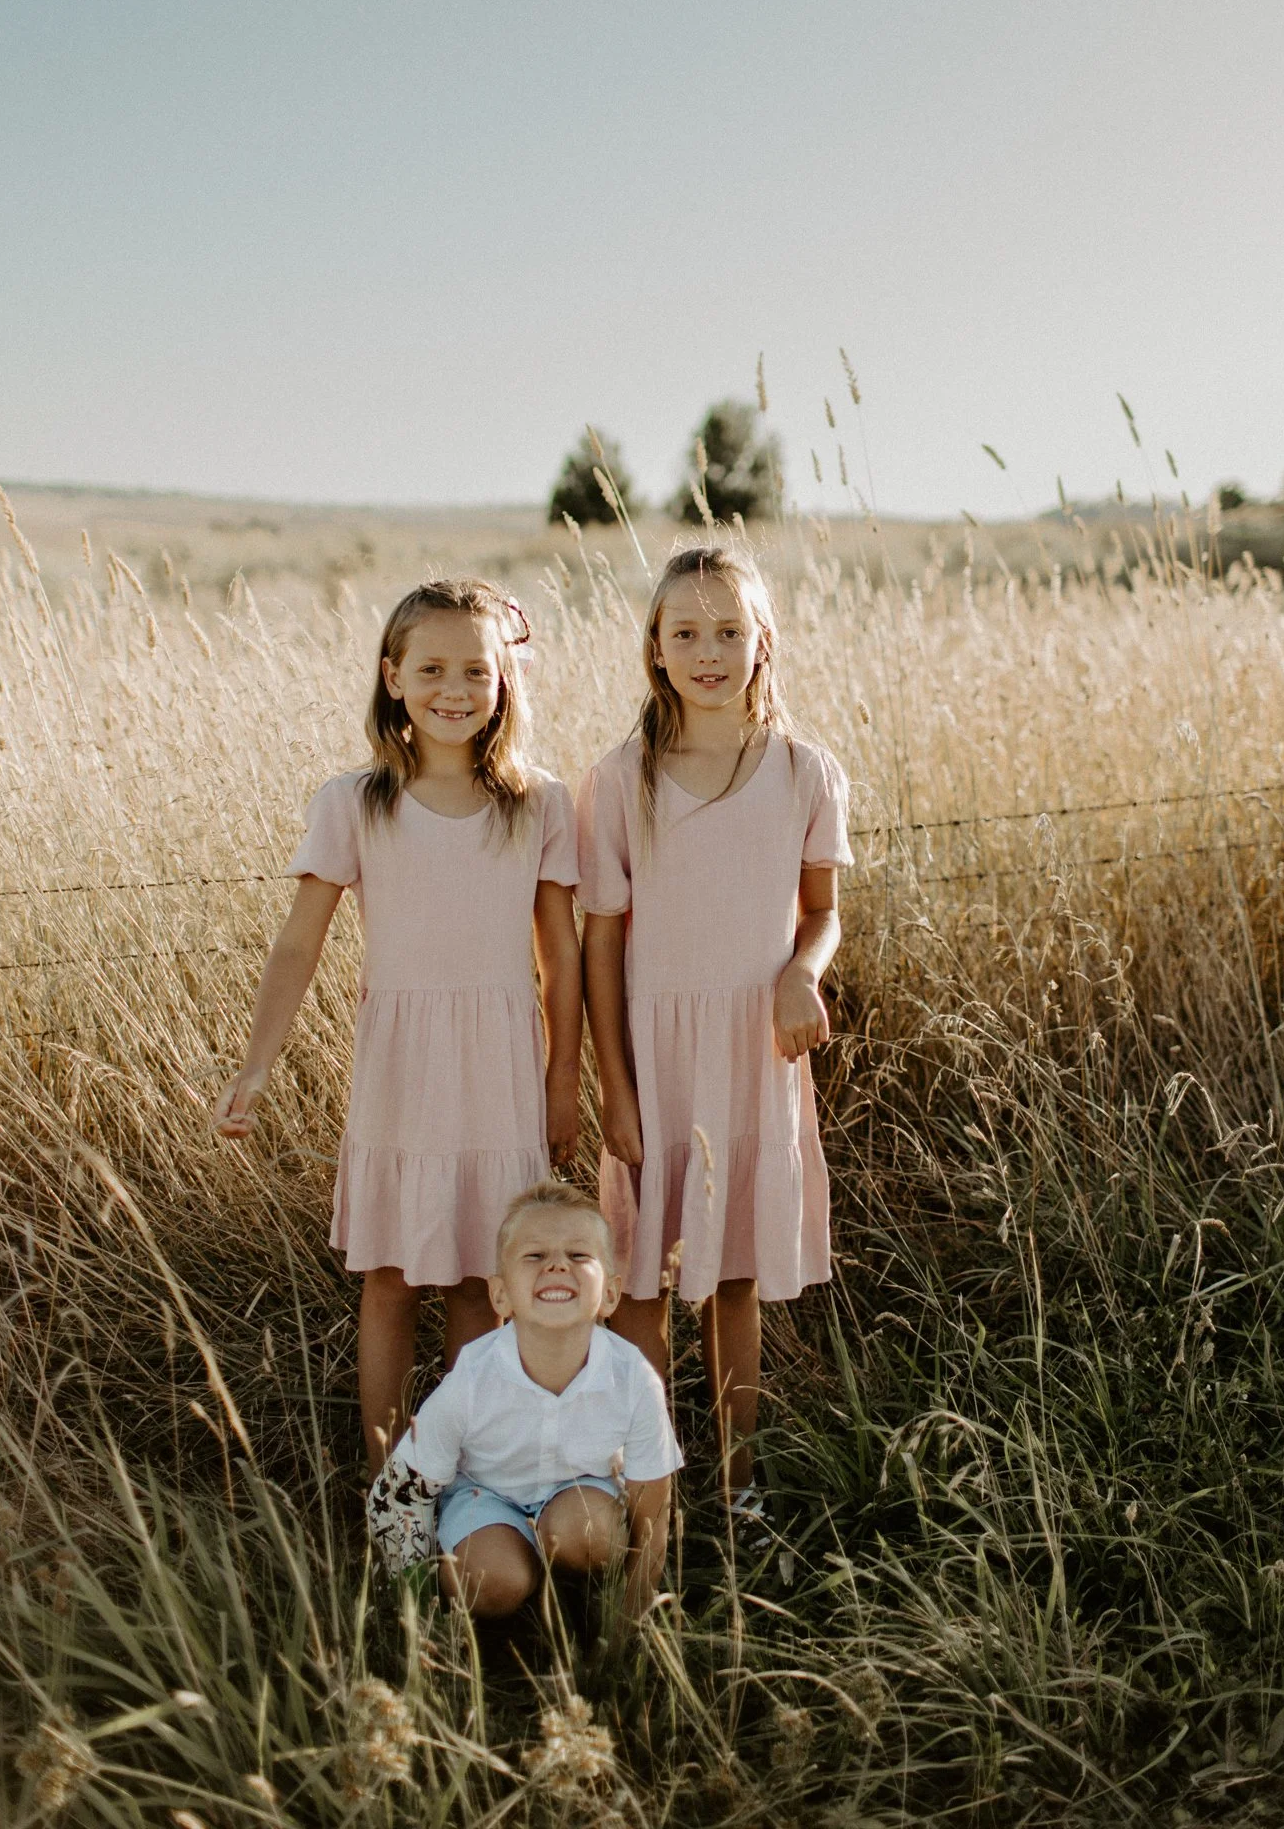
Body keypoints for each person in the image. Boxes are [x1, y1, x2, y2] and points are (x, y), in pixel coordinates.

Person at [214, 578, 583, 1471]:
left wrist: (563, 1079)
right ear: (392, 677)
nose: (454, 690)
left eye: (476, 670)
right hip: (401, 1072)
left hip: (498, 1071)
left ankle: (468, 1475)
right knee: (388, 1280)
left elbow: (560, 958)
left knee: (478, 1282)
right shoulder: (355, 802)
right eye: (431, 669)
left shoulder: (537, 803)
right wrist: (257, 1065)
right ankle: (388, 1486)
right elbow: (298, 943)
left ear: (504, 680)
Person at [577, 542, 851, 1527]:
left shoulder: (805, 772)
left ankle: (738, 1486)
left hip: (751, 1056)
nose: (708, 651)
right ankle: (647, 1491)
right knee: (642, 1282)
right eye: (686, 632)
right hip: (655, 1058)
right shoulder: (621, 780)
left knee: (733, 1277)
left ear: (762, 640)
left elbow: (822, 912)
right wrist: (614, 1086)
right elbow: (599, 945)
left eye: (729, 630)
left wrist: (800, 973)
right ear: (654, 647)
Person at [367, 1181, 680, 1622]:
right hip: (485, 1499)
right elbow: (398, 1493)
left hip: (583, 1499)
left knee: (591, 1533)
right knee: (490, 1581)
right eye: (534, 1256)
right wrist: (412, 1607)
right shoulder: (473, 1378)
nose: (557, 1265)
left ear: (610, 1294)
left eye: (578, 1255)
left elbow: (653, 1513)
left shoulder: (633, 1378)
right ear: (500, 1294)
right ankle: (516, 1590)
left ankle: (581, 1603)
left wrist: (630, 1623)